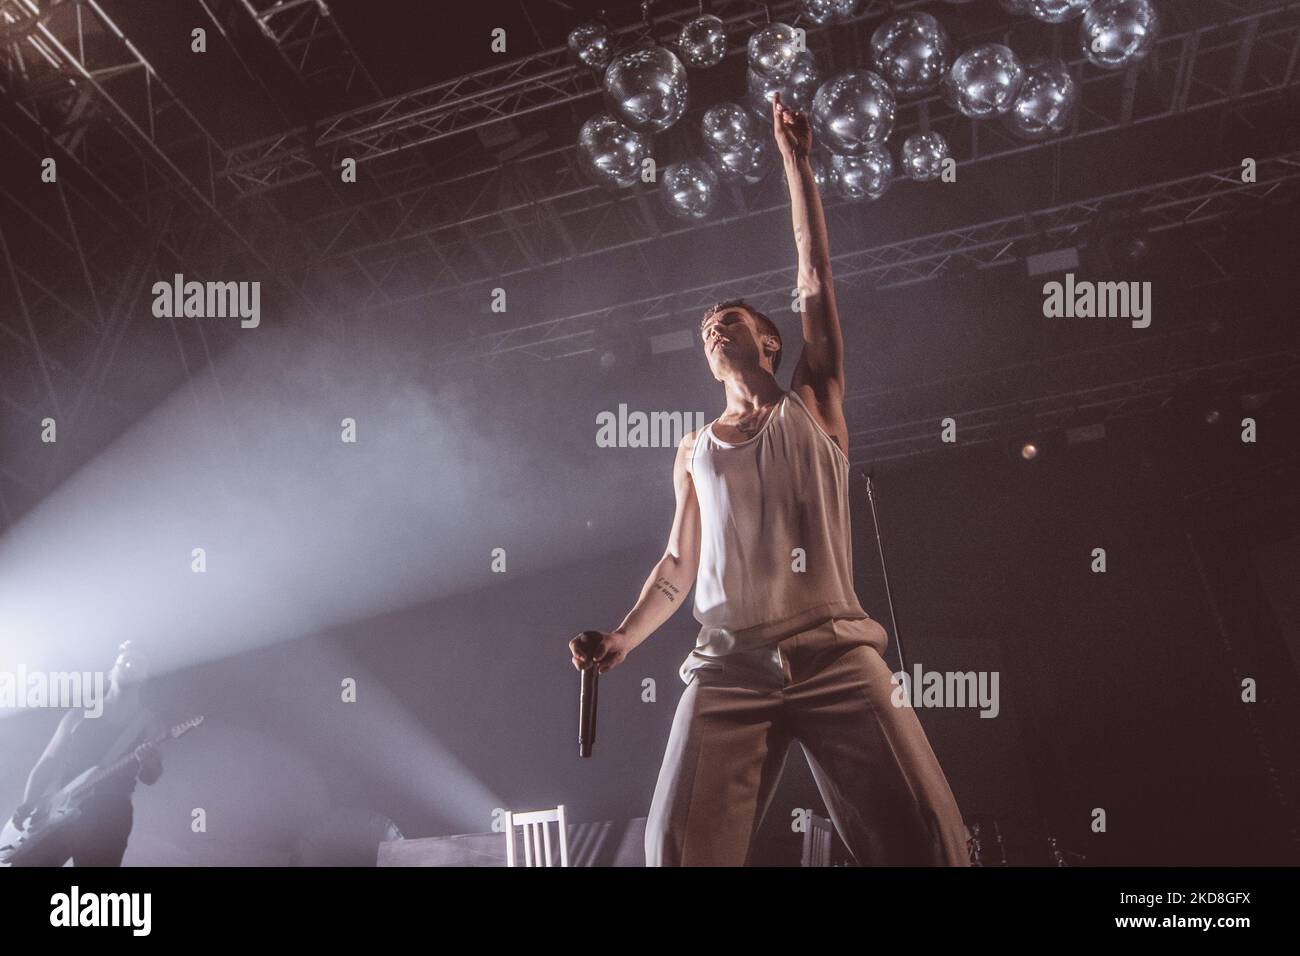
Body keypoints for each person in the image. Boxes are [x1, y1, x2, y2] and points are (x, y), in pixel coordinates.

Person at [570, 92, 971, 867]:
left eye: (732, 318)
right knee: (676, 851)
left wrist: (797, 163)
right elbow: (678, 565)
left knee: (927, 841)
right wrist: (622, 638)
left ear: (770, 339)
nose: (713, 326)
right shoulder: (691, 449)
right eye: (704, 328)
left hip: (835, 654)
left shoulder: (815, 400)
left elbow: (816, 275)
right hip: (728, 667)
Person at [11, 641, 163, 866]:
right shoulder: (81, 713)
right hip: (61, 809)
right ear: (112, 671)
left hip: (111, 817)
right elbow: (48, 761)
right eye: (125, 660)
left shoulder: (149, 723)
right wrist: (28, 802)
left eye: (138, 663)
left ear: (144, 677)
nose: (130, 665)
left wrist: (149, 763)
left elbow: (150, 777)